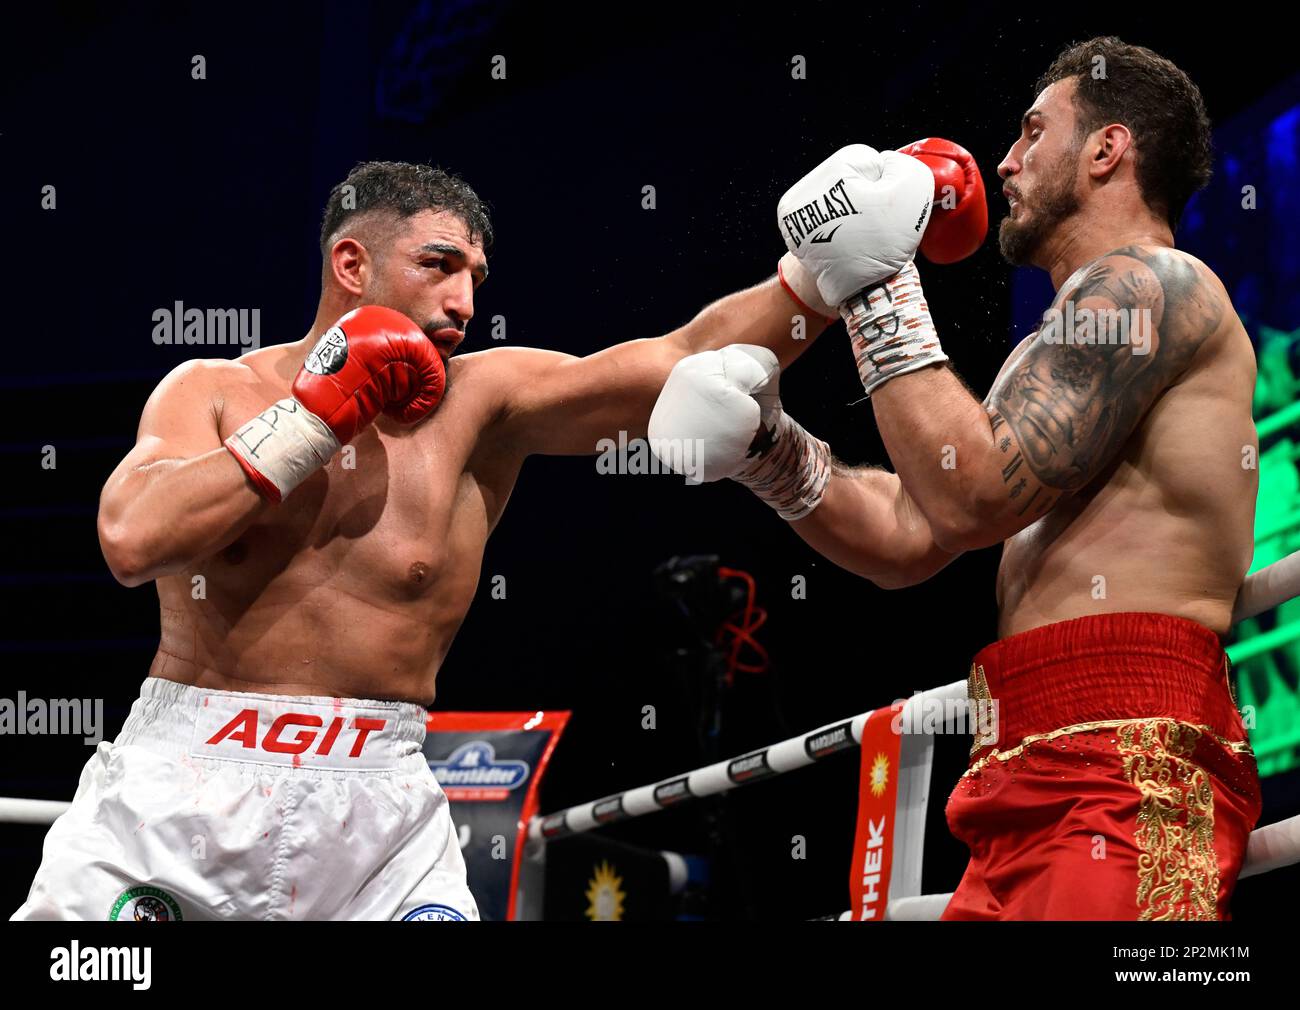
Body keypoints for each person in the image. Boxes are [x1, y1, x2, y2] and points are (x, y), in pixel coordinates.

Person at [14, 159, 842, 921]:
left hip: (379, 811)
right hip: (182, 780)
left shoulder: (485, 405)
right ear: (351, 266)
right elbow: (130, 538)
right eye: (438, 266)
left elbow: (686, 357)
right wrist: (309, 422)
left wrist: (823, 271)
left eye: (476, 278)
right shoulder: (214, 390)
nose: (464, 305)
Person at [650, 37, 1261, 920]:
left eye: (1032, 131)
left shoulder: (1159, 288)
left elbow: (976, 494)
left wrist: (879, 278)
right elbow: (909, 535)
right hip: (1017, 763)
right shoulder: (1044, 354)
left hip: (1133, 756)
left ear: (1107, 150)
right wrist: (769, 452)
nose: (1005, 160)